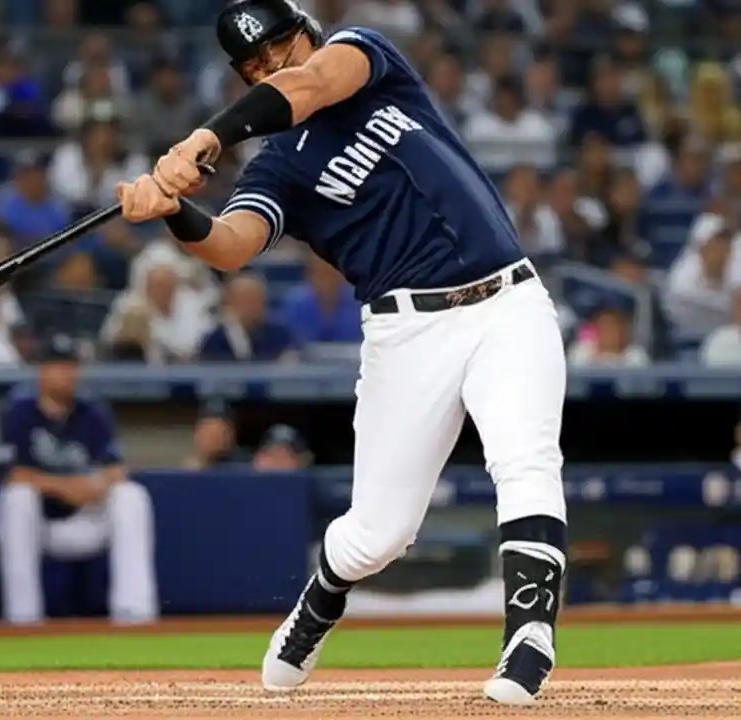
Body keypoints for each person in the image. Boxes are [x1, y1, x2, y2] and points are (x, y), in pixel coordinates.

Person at [116, 1, 568, 705]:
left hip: (508, 302)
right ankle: (322, 597)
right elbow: (231, 247)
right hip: (407, 335)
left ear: (305, 31)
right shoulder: (280, 168)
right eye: (254, 65)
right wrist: (175, 211)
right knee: (377, 536)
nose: (273, 66)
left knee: (526, 459)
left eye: (279, 46)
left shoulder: (365, 59)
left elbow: (309, 85)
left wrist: (204, 136)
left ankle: (529, 638)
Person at [0, 335, 157, 625]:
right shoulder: (19, 411)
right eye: (59, 365)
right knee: (18, 498)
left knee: (131, 495)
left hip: (84, 517)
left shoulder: (92, 412)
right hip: (39, 522)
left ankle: (134, 612)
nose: (68, 373)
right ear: (42, 370)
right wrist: (65, 487)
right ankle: (23, 617)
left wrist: (95, 485)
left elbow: (116, 469)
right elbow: (12, 473)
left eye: (71, 366)